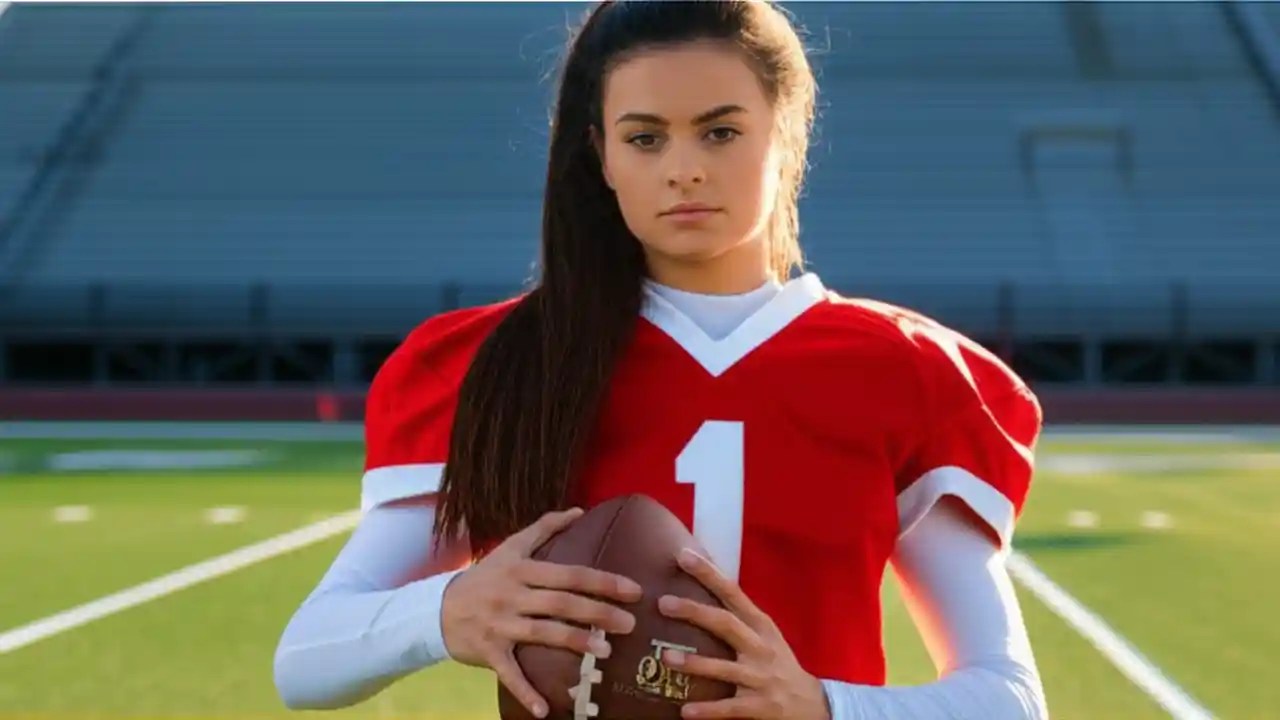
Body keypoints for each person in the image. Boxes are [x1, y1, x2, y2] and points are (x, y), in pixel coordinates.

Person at [273, 2, 1049, 718]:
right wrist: (444, 612)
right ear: (601, 155)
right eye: (646, 137)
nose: (684, 169)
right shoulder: (493, 363)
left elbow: (1009, 698)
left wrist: (821, 705)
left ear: (785, 134)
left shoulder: (906, 369)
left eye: (720, 131)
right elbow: (304, 661)